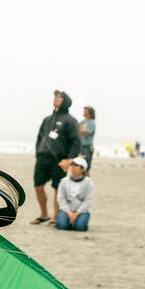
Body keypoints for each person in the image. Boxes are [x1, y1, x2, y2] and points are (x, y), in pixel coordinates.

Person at [32, 90, 80, 223]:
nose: (56, 98)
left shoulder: (71, 121)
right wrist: (38, 151)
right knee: (38, 187)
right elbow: (40, 137)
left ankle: (55, 216)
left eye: (60, 97)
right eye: (56, 96)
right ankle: (44, 214)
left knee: (57, 188)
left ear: (66, 101)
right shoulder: (47, 119)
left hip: (59, 160)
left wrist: (69, 159)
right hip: (42, 158)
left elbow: (76, 142)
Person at [55, 157, 93, 231]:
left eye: (76, 165)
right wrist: (69, 213)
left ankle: (78, 220)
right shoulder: (64, 181)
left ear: (82, 169)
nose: (73, 167)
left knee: (80, 227)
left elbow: (88, 201)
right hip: (66, 210)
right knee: (62, 226)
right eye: (72, 164)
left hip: (81, 211)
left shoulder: (89, 183)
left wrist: (76, 214)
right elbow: (61, 198)